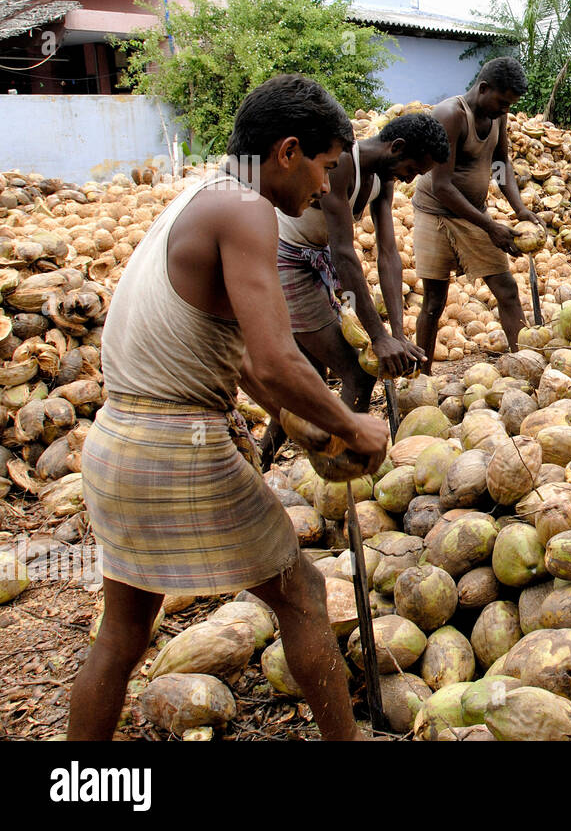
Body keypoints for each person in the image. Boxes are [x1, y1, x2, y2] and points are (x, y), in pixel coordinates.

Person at [67, 75, 390, 741]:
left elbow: (236, 358)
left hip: (117, 443)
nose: (326, 189)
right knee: (301, 595)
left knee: (123, 638)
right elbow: (275, 359)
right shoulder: (245, 210)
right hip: (171, 445)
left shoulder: (199, 197)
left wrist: (308, 425)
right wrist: (352, 421)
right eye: (325, 169)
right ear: (288, 151)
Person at [258, 113, 446, 467]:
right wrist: (377, 337)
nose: (411, 178)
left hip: (318, 259)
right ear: (397, 147)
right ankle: (337, 470)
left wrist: (397, 335)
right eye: (412, 169)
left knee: (310, 376)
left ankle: (261, 459)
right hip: (288, 260)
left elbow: (388, 253)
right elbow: (345, 254)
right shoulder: (342, 165)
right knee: (357, 373)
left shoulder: (382, 177)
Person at [412, 57, 541, 366]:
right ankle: (422, 378)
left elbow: (500, 164)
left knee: (507, 290)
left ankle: (525, 365)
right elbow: (442, 185)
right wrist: (489, 226)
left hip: (475, 214)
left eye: (510, 104)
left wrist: (520, 209)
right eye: (502, 101)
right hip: (435, 213)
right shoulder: (450, 115)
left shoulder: (498, 116)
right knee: (433, 301)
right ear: (483, 88)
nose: (505, 110)